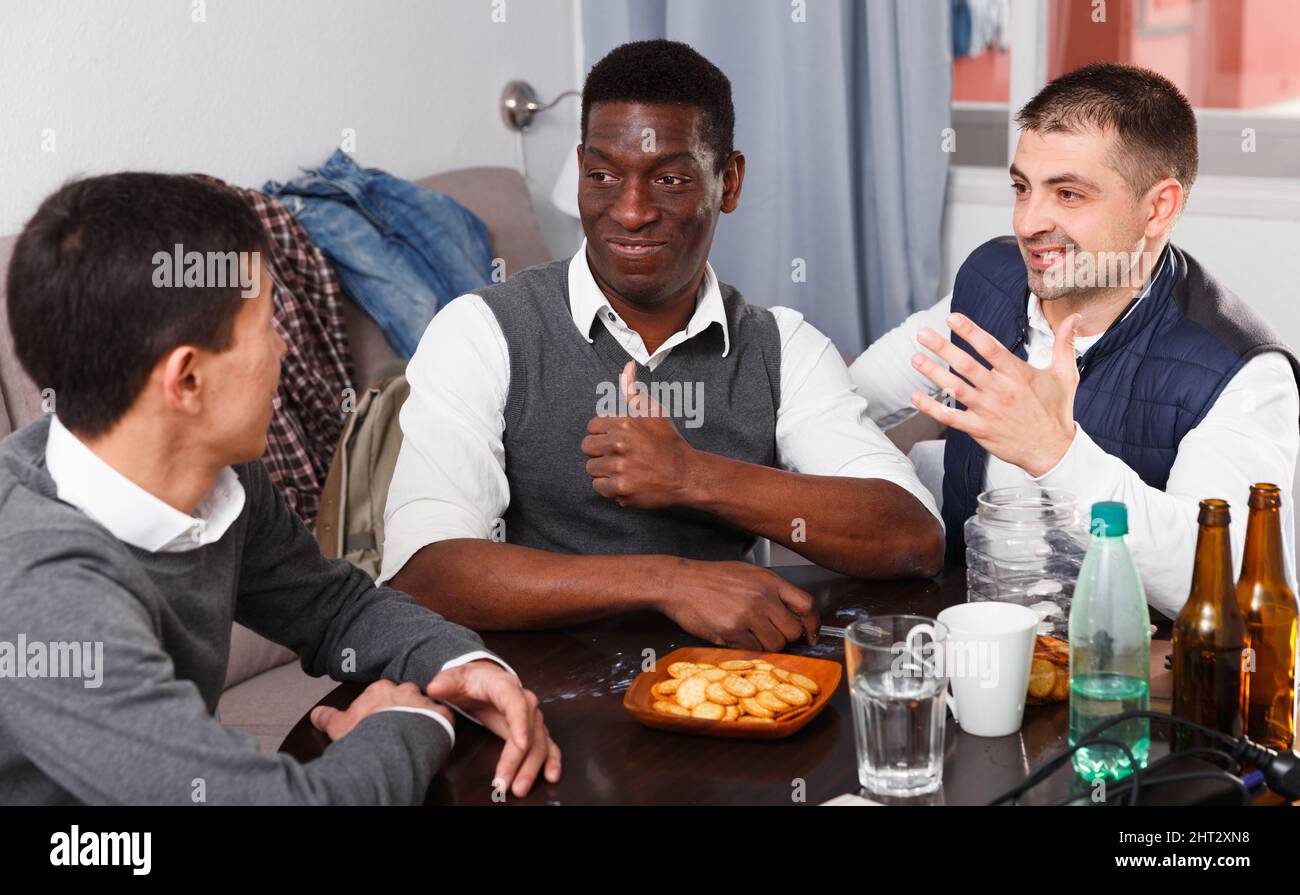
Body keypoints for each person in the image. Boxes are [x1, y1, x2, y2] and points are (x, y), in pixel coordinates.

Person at [0, 173, 560, 804]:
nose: (285, 348)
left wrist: (462, 665)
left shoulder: (217, 473)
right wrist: (410, 725)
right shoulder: (44, 593)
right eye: (267, 327)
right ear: (186, 381)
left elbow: (333, 609)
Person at [380, 40, 944, 650]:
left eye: (669, 179)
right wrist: (666, 581)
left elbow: (911, 537)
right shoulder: (481, 331)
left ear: (728, 182)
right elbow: (425, 575)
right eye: (603, 175)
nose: (629, 212)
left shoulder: (785, 347)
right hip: (539, 698)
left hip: (730, 698)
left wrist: (692, 476)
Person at [850, 63, 1300, 618]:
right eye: (1022, 188)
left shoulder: (1242, 372)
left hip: (1124, 683)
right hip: (971, 639)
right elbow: (853, 396)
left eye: (1068, 194)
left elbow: (1219, 589)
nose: (1029, 221)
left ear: (1158, 207)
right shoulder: (994, 277)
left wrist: (1053, 453)